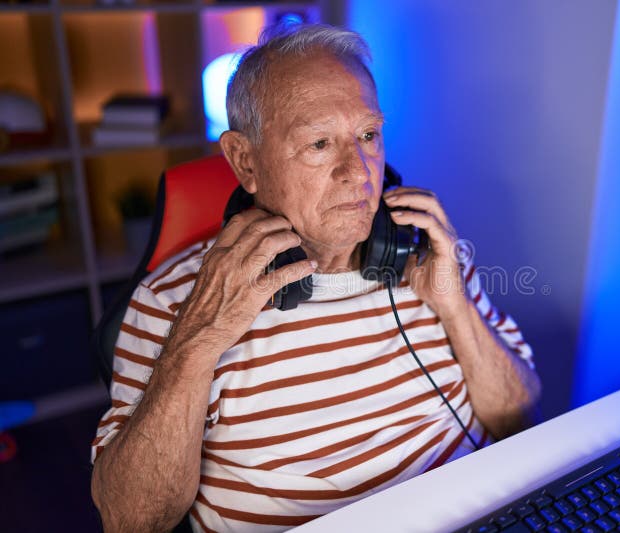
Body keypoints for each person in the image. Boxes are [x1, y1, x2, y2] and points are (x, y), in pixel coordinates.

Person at [90, 23, 542, 532]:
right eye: (320, 143)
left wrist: (454, 303)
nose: (360, 173)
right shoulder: (173, 302)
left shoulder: (425, 246)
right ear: (245, 161)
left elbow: (515, 416)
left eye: (368, 136)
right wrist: (199, 338)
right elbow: (132, 521)